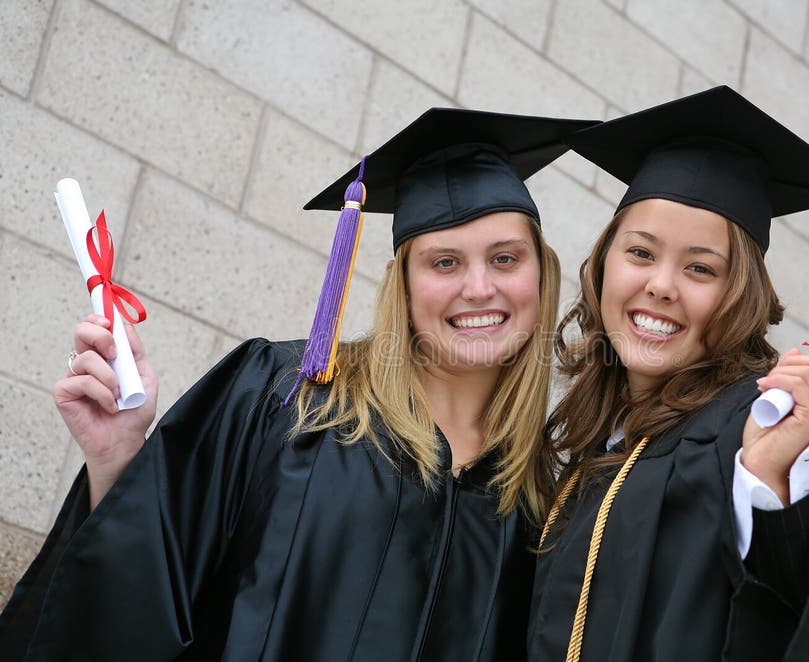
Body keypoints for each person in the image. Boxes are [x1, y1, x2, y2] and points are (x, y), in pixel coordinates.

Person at [0, 108, 597, 661]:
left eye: (505, 259)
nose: (478, 288)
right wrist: (116, 461)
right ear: (403, 284)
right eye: (444, 261)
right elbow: (142, 589)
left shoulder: (541, 507)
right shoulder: (285, 400)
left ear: (541, 274)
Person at [527, 87, 809, 661]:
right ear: (604, 262)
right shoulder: (593, 450)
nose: (661, 284)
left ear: (741, 295)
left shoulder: (776, 421)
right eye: (640, 252)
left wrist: (775, 493)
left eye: (700, 268)